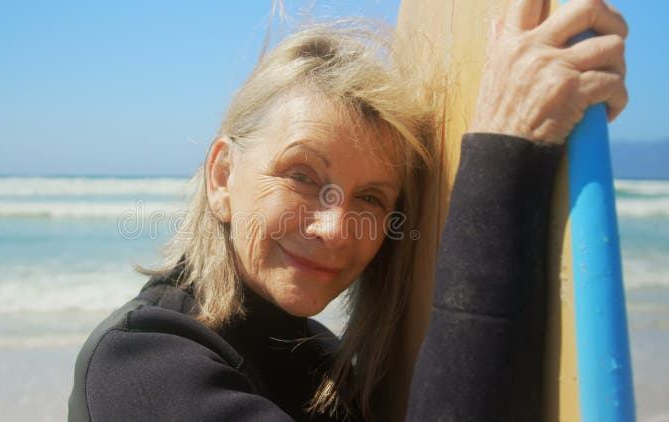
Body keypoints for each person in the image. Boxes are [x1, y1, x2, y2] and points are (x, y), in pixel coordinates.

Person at [69, 0, 627, 420]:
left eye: (371, 199)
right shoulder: (142, 365)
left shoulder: (322, 363)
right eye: (301, 175)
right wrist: (506, 153)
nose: (337, 228)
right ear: (221, 177)